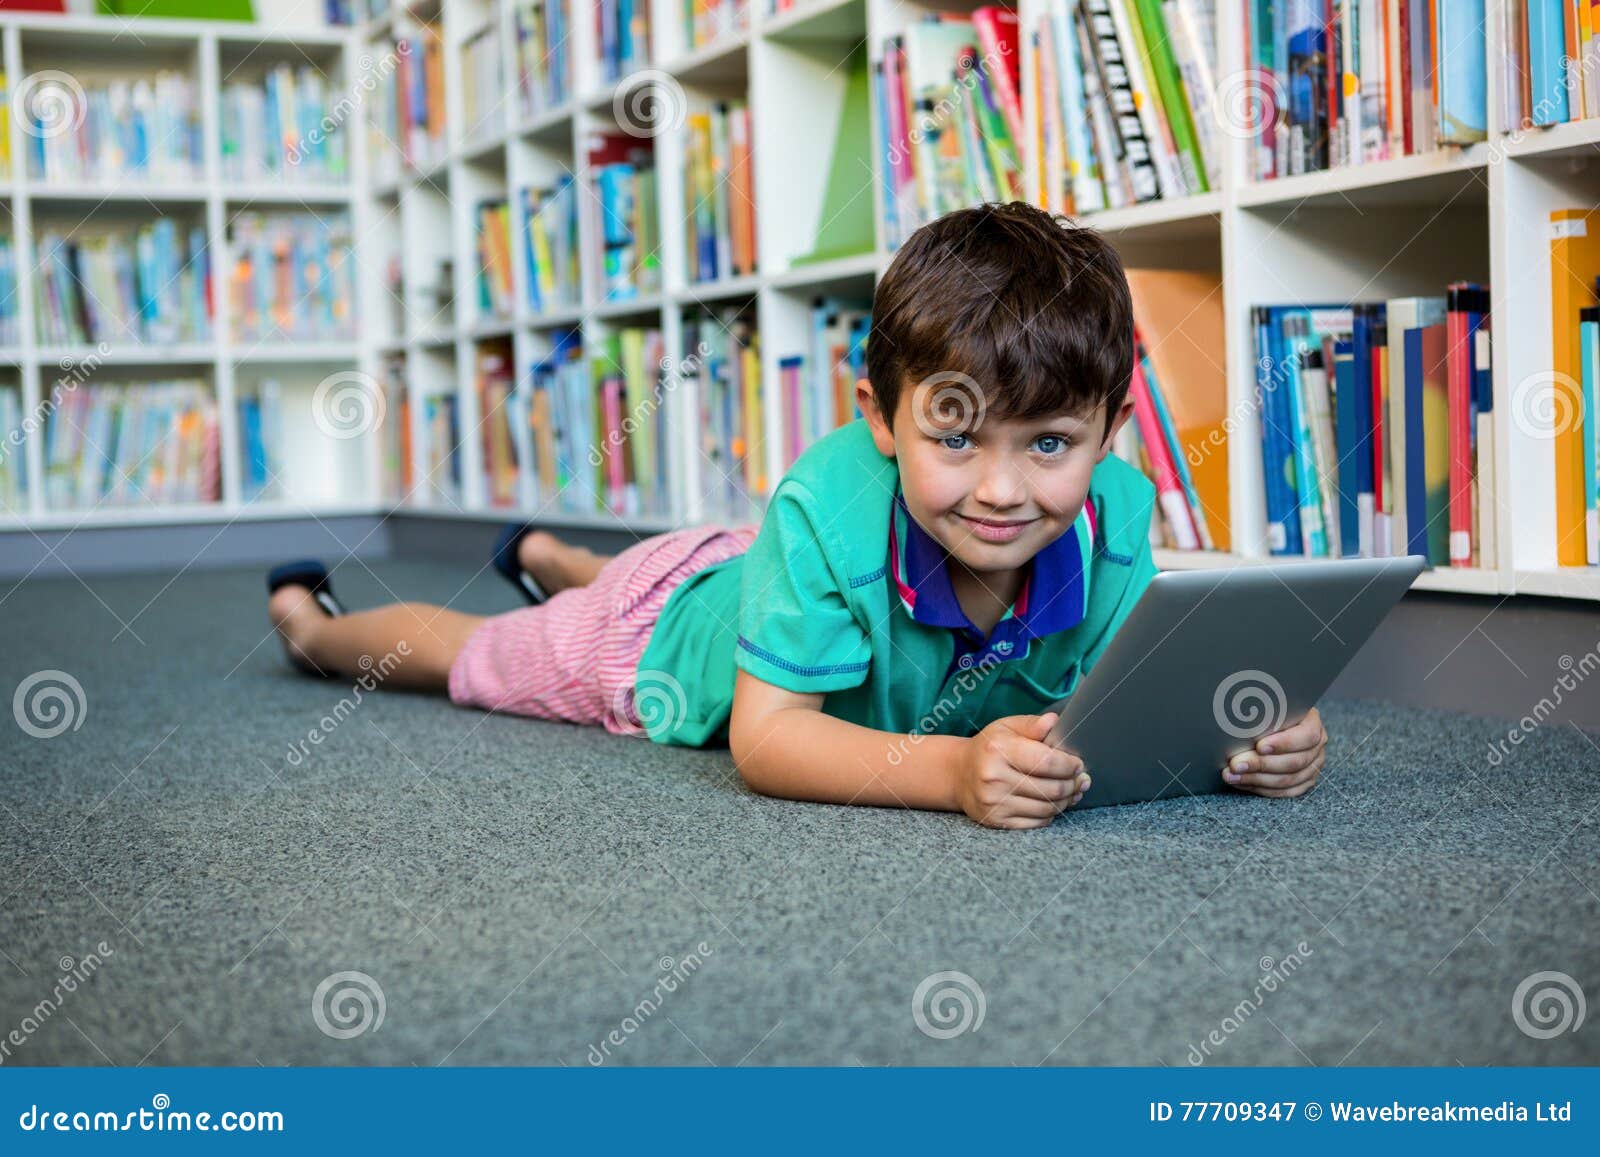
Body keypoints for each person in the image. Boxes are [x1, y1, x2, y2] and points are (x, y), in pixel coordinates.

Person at [267, 201, 1327, 828]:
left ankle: (555, 552)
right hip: (659, 630)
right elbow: (768, 740)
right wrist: (954, 770)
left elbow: (1141, 679)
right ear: (877, 415)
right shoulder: (823, 504)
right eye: (956, 436)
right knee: (482, 653)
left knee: (725, 564)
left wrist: (1249, 723)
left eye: (1048, 443)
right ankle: (321, 627)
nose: (1004, 489)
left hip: (759, 568)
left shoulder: (1113, 516)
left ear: (1109, 432)